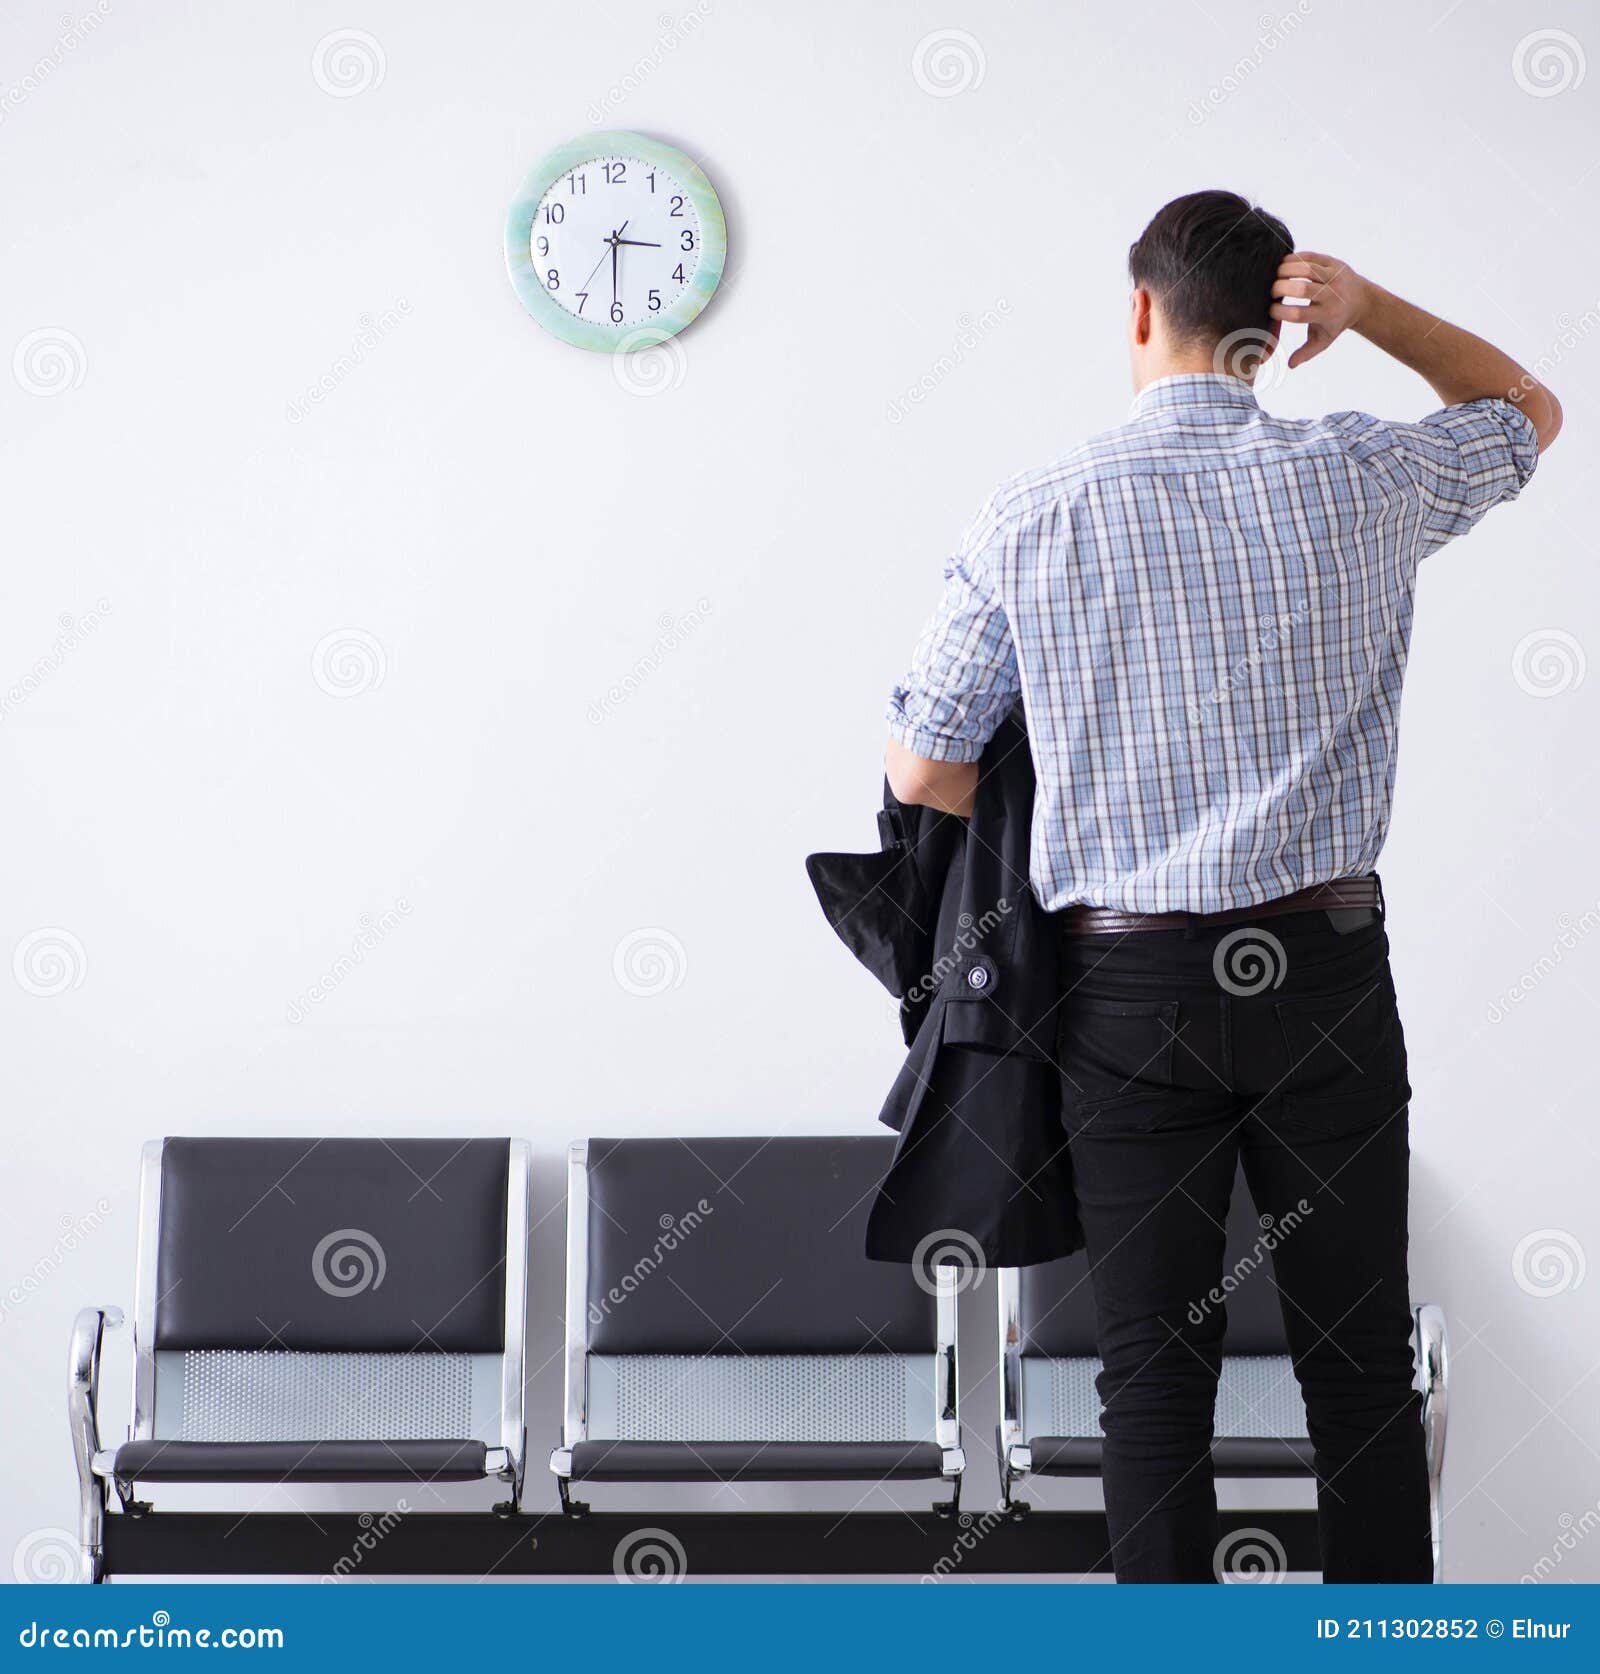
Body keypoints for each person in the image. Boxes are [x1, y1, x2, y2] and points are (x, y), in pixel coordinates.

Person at [883, 189, 1561, 1584]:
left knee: (1153, 1378)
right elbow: (1526, 407)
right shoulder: (1366, 475)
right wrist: (1372, 314)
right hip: (1323, 977)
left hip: (1126, 996)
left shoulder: (1036, 510)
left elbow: (923, 775)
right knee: (1363, 1367)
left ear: (1140, 310)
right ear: (1273, 326)